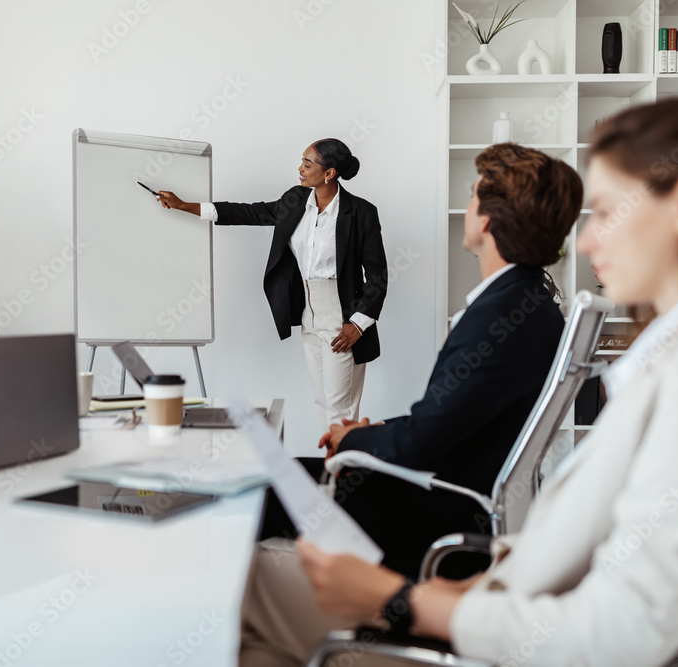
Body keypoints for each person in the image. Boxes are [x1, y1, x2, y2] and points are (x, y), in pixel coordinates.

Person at [295, 98, 678, 666]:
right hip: (489, 605)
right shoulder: (676, 364)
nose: (582, 242)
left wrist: (404, 601)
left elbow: (628, 631)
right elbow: (576, 549)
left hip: (495, 635)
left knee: (251, 589)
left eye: (607, 212)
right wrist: (453, 593)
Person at [240, 143, 583, 666]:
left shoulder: (499, 315)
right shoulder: (528, 302)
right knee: (274, 483)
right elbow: (449, 420)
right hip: (443, 496)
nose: (466, 206)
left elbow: (424, 441)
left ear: (488, 220)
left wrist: (355, 438)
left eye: (471, 197)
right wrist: (374, 431)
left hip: (425, 516)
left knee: (252, 502)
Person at [157, 139, 387, 429]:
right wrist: (184, 206)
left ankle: (344, 470)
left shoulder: (361, 212)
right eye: (301, 161)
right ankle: (338, 466)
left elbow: (377, 273)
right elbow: (251, 212)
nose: (300, 169)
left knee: (340, 407)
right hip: (308, 310)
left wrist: (357, 324)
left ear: (329, 173)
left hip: (342, 314)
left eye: (308, 163)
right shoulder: (297, 199)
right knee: (322, 401)